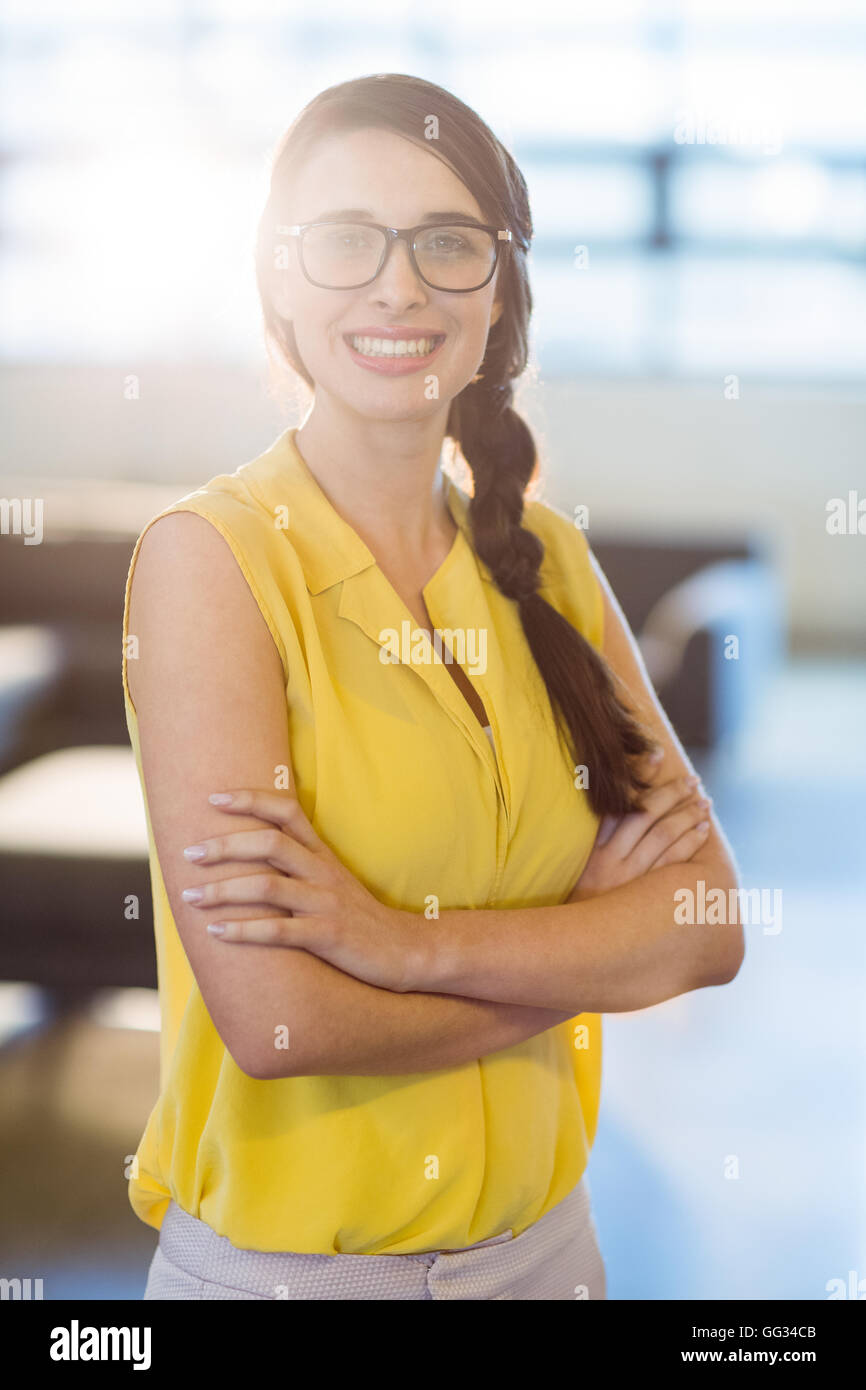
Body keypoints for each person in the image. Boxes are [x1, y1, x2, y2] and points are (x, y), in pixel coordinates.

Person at [124, 73, 744, 1301]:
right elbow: (276, 1023)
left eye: (447, 243)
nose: (398, 285)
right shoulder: (212, 564)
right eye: (347, 240)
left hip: (552, 1257)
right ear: (280, 279)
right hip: (292, 1280)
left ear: (499, 290)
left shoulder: (551, 562)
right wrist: (579, 950)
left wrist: (387, 946)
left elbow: (707, 925)